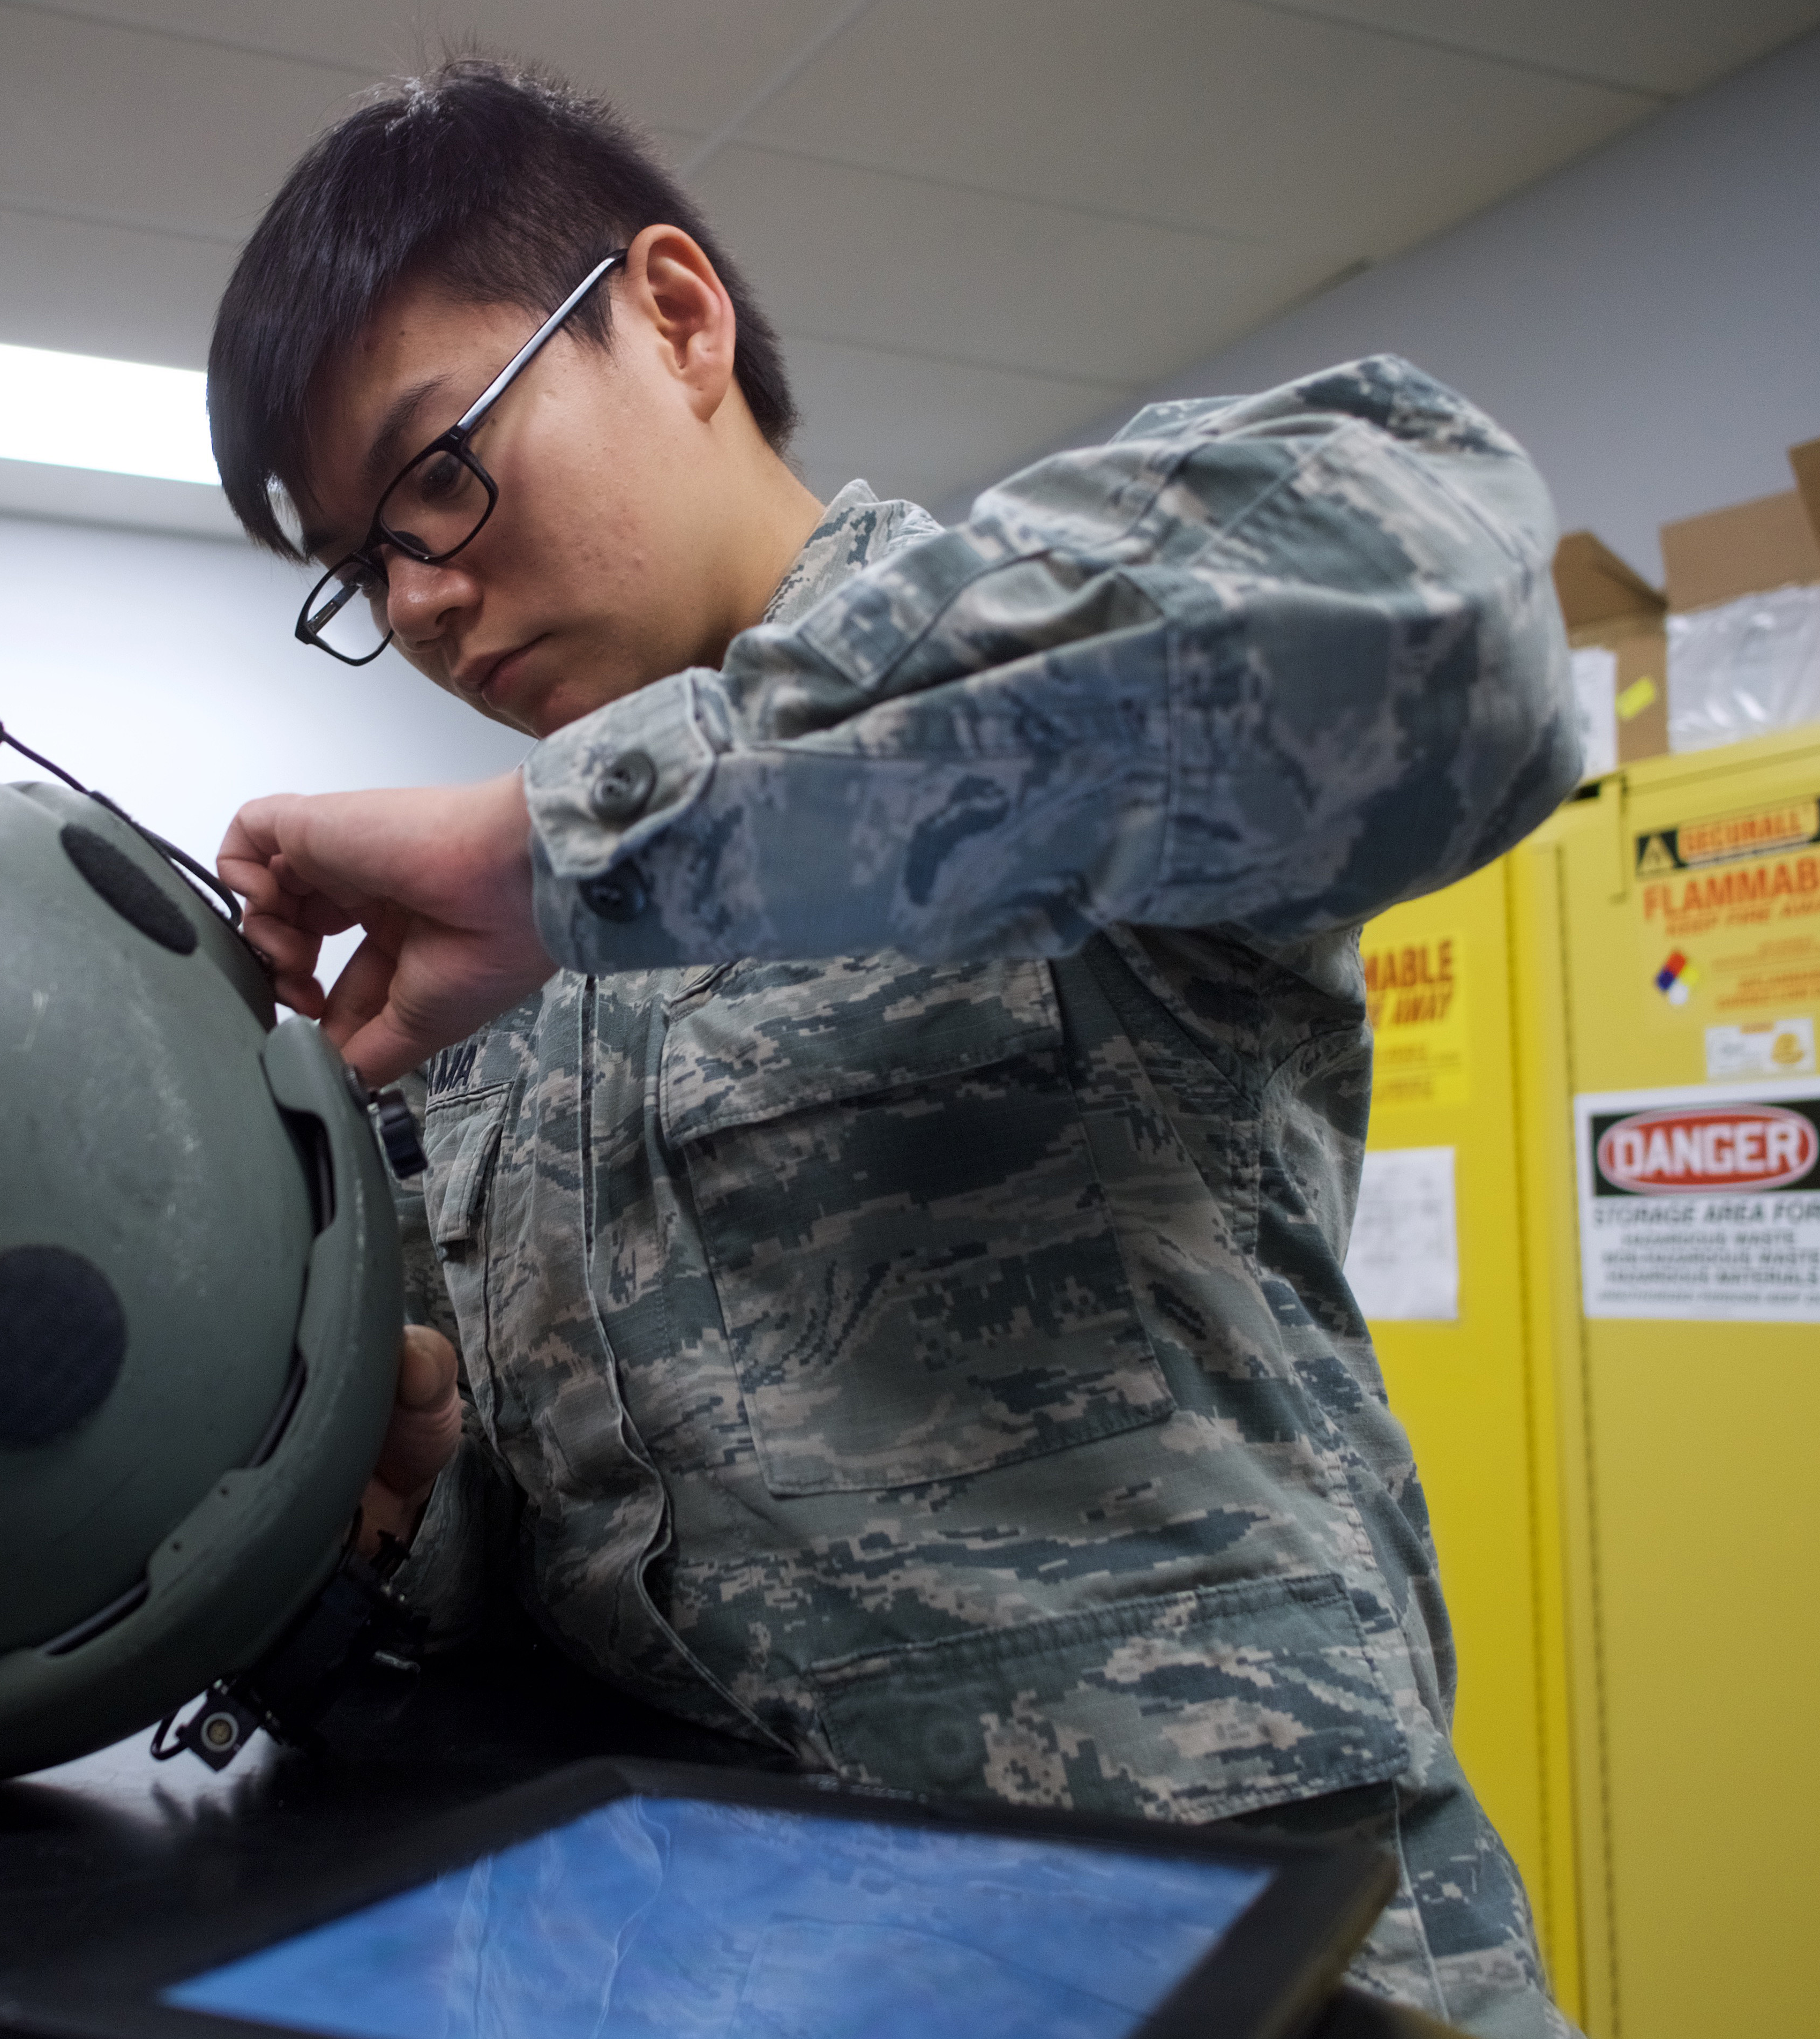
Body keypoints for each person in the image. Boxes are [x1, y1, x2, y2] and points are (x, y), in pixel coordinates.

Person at [207, 57, 1579, 2039]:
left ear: (672, 316)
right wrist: (405, 1510)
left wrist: (569, 846)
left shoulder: (998, 661)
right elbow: (583, 1567)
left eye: (440, 471)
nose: (420, 597)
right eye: (362, 561)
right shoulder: (492, 999)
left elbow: (1428, 627)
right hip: (708, 1967)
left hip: (1233, 1962)